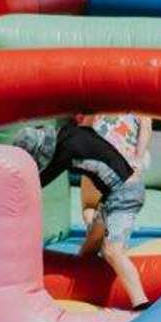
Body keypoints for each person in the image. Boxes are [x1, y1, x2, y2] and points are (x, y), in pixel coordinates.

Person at [14, 114, 149, 308]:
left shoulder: (67, 149)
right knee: (89, 247)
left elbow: (39, 180)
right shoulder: (72, 133)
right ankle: (85, 291)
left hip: (125, 196)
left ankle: (141, 303)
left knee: (112, 251)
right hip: (111, 197)